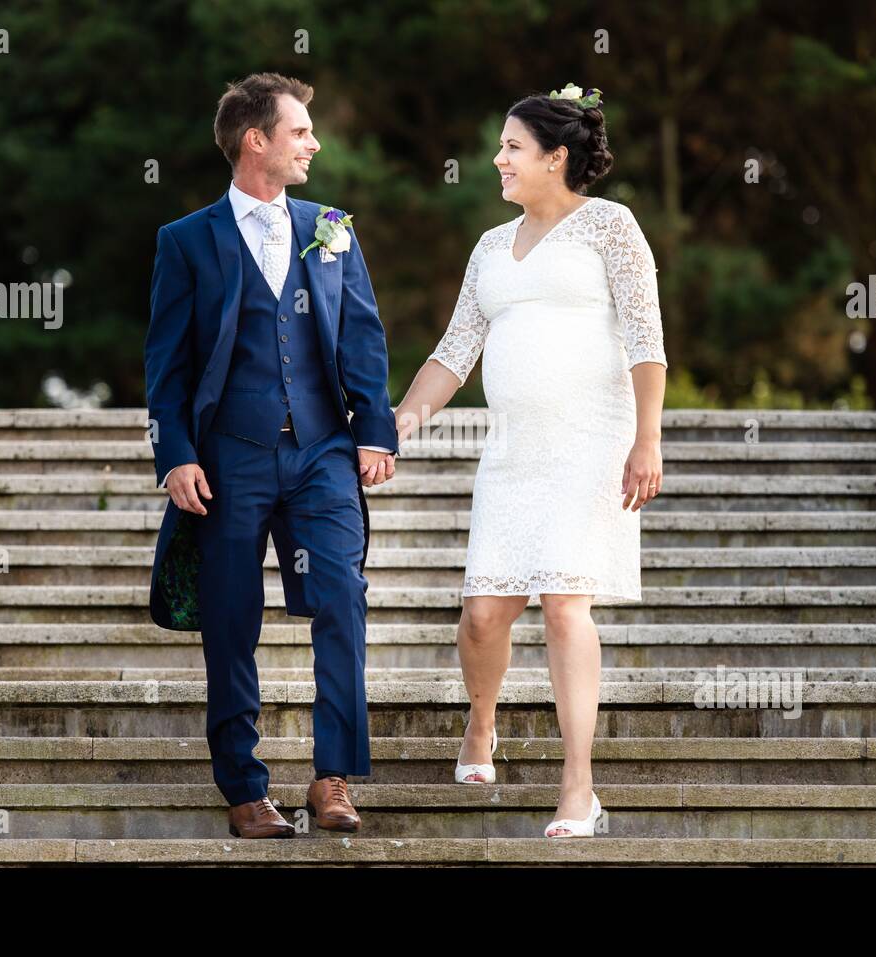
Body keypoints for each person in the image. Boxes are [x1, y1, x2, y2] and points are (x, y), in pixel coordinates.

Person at [393, 84, 668, 837]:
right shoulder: (490, 245)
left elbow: (646, 337)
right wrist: (399, 423)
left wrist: (648, 438)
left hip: (592, 444)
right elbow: (454, 352)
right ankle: (482, 721)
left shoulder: (612, 226)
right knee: (483, 614)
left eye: (512, 147)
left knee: (563, 603)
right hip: (512, 453)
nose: (498, 159)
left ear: (556, 157)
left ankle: (579, 787)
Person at [144, 72, 399, 838]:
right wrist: (177, 453)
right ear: (256, 141)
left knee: (342, 599)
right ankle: (245, 786)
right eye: (299, 132)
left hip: (322, 448)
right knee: (229, 616)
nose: (313, 144)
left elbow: (362, 333)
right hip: (229, 459)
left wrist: (375, 428)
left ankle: (332, 777)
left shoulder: (332, 227)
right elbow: (168, 364)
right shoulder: (186, 241)